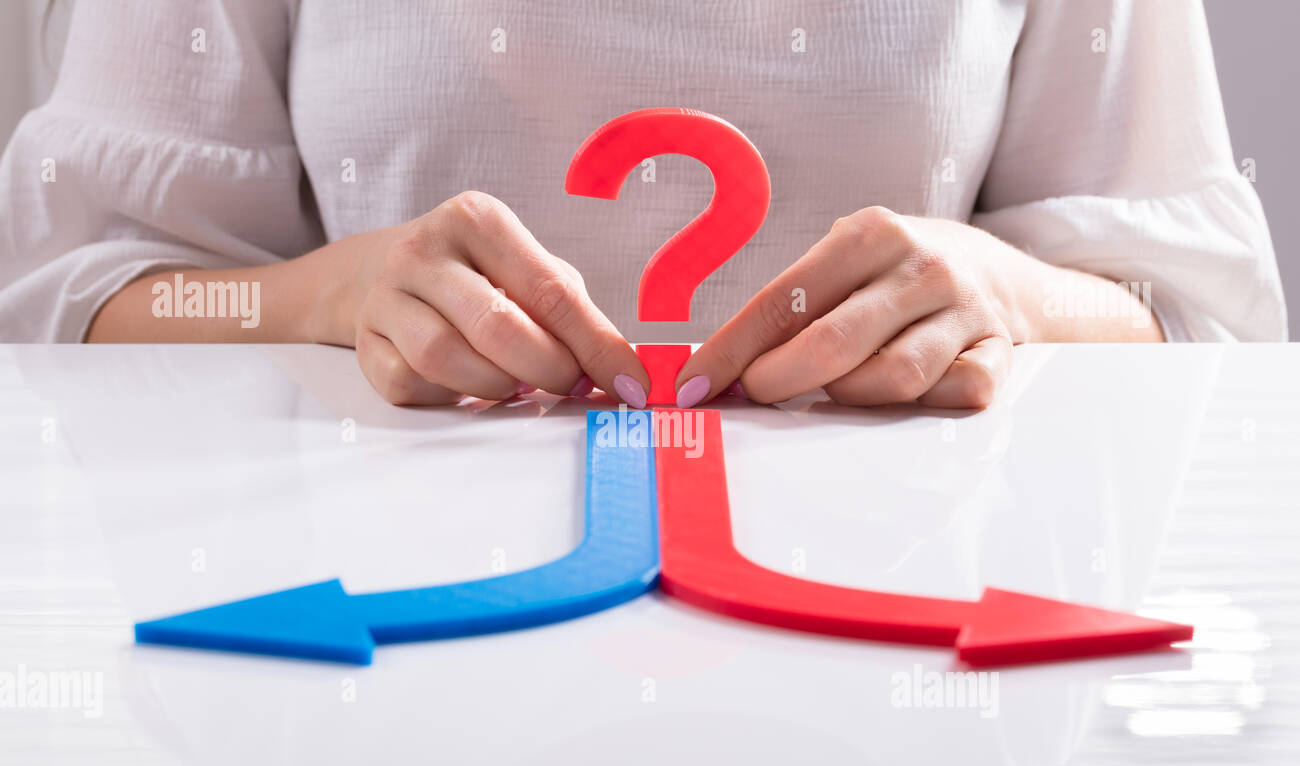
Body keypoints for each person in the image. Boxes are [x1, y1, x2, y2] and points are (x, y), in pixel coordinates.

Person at [0, 0, 1285, 409]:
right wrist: (326, 294)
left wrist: (1010, 295)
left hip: (910, 647)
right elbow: (67, 294)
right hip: (374, 652)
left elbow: (1200, 322)